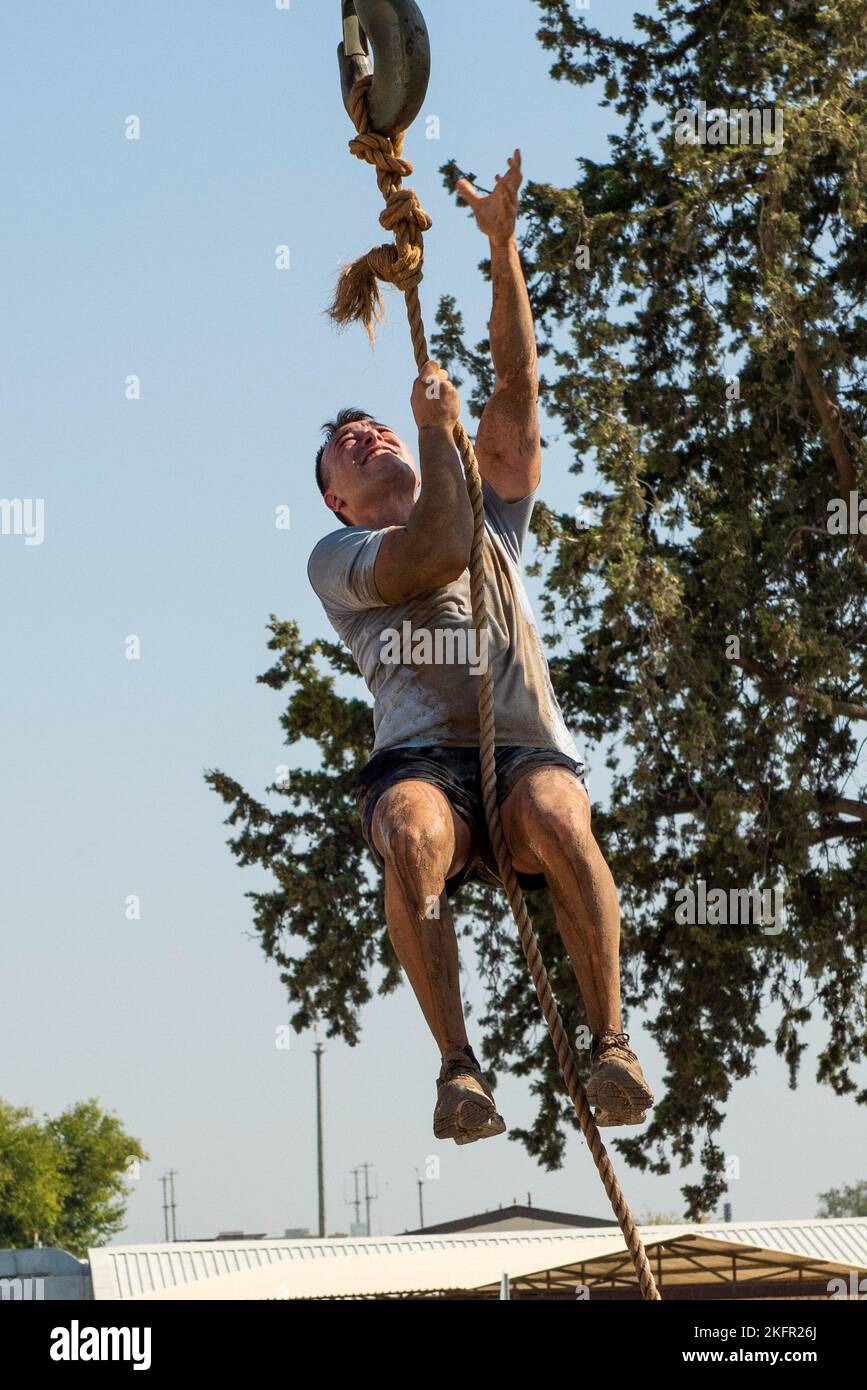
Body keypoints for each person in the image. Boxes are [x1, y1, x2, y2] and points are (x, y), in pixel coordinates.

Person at [308, 150, 653, 1144]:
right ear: (335, 496)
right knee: (412, 833)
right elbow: (432, 552)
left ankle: (612, 1043)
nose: (370, 437)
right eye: (349, 446)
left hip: (523, 752)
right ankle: (458, 1067)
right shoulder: (341, 558)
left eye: (379, 430)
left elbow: (516, 381)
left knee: (554, 808)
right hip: (421, 764)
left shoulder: (494, 510)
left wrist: (503, 249)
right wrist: (432, 429)